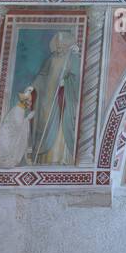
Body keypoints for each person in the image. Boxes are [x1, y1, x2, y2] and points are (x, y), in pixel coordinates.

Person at [29, 34, 81, 165]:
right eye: (57, 45)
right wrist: (32, 86)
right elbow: (42, 75)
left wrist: (67, 81)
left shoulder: (73, 58)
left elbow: (78, 79)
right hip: (48, 97)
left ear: (68, 46)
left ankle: (61, 158)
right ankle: (44, 158)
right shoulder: (51, 59)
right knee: (45, 123)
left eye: (62, 46)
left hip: (62, 98)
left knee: (60, 125)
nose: (59, 48)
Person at [0, 87, 35, 170]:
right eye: (29, 101)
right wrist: (28, 119)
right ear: (24, 101)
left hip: (9, 138)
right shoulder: (18, 110)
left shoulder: (20, 109)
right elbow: (18, 127)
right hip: (8, 141)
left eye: (30, 101)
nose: (30, 104)